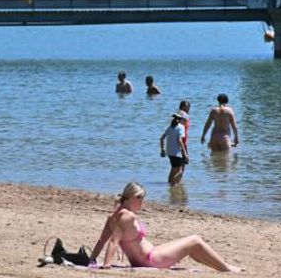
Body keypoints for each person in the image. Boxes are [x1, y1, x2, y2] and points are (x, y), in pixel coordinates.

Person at [91, 182, 238, 271]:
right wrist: (107, 265)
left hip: (148, 256)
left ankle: (223, 266)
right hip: (151, 260)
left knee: (192, 248)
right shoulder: (127, 216)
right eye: (141, 198)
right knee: (195, 240)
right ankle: (226, 269)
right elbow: (113, 241)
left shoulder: (113, 216)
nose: (142, 202)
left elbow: (101, 240)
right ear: (131, 198)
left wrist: (91, 260)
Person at [160, 111, 189, 185]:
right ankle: (173, 185)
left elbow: (161, 138)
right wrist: (184, 154)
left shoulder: (169, 127)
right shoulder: (181, 127)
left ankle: (169, 185)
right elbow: (180, 141)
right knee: (180, 171)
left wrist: (162, 150)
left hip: (169, 153)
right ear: (180, 120)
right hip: (176, 153)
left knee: (173, 169)